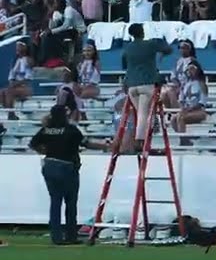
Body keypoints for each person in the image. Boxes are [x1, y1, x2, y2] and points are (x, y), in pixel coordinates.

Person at [28, 104, 111, 245]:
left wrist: (43, 150)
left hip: (49, 165)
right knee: (70, 203)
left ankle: (56, 237)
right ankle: (71, 235)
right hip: (67, 167)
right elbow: (87, 144)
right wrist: (105, 145)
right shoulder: (71, 130)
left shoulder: (46, 130)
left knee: (55, 202)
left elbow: (32, 144)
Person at [119, 23, 172, 151]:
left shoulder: (128, 48)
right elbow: (168, 49)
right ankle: (140, 141)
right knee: (144, 114)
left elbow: (124, 64)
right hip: (147, 83)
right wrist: (161, 39)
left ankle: (150, 126)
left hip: (131, 85)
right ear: (142, 32)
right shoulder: (149, 44)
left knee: (141, 113)